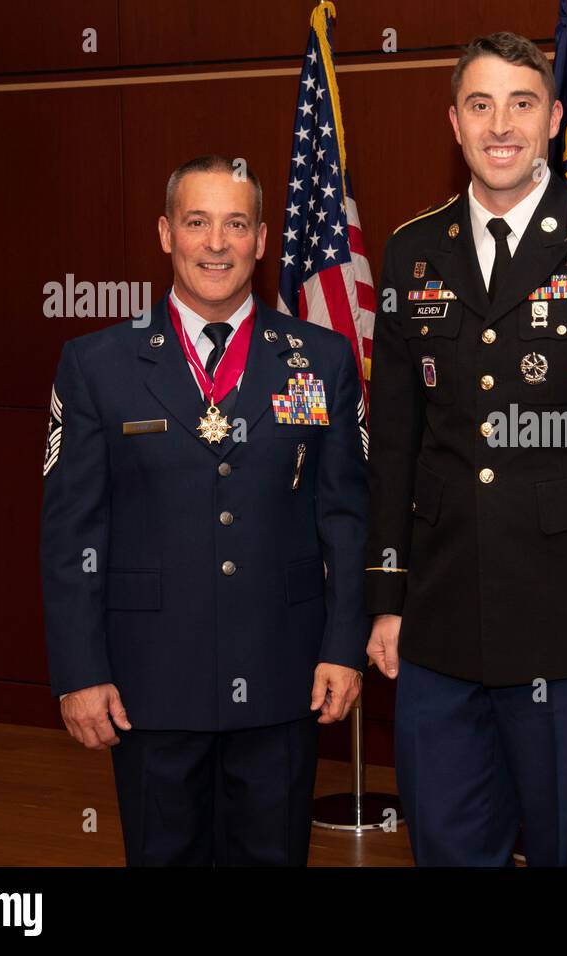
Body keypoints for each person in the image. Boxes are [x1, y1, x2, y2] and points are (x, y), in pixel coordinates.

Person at [364, 32, 567, 866]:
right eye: (480, 105)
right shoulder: (413, 249)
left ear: (553, 118)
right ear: (454, 122)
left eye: (520, 103)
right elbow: (397, 441)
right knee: (446, 847)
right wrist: (386, 594)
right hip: (440, 623)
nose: (500, 124)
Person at [40, 155, 369, 866]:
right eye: (197, 223)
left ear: (260, 239)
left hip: (285, 678)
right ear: (166, 234)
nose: (216, 243)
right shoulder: (98, 364)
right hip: (148, 684)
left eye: (235, 224)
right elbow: (72, 532)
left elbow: (345, 518)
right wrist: (78, 670)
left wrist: (344, 648)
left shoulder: (323, 359)